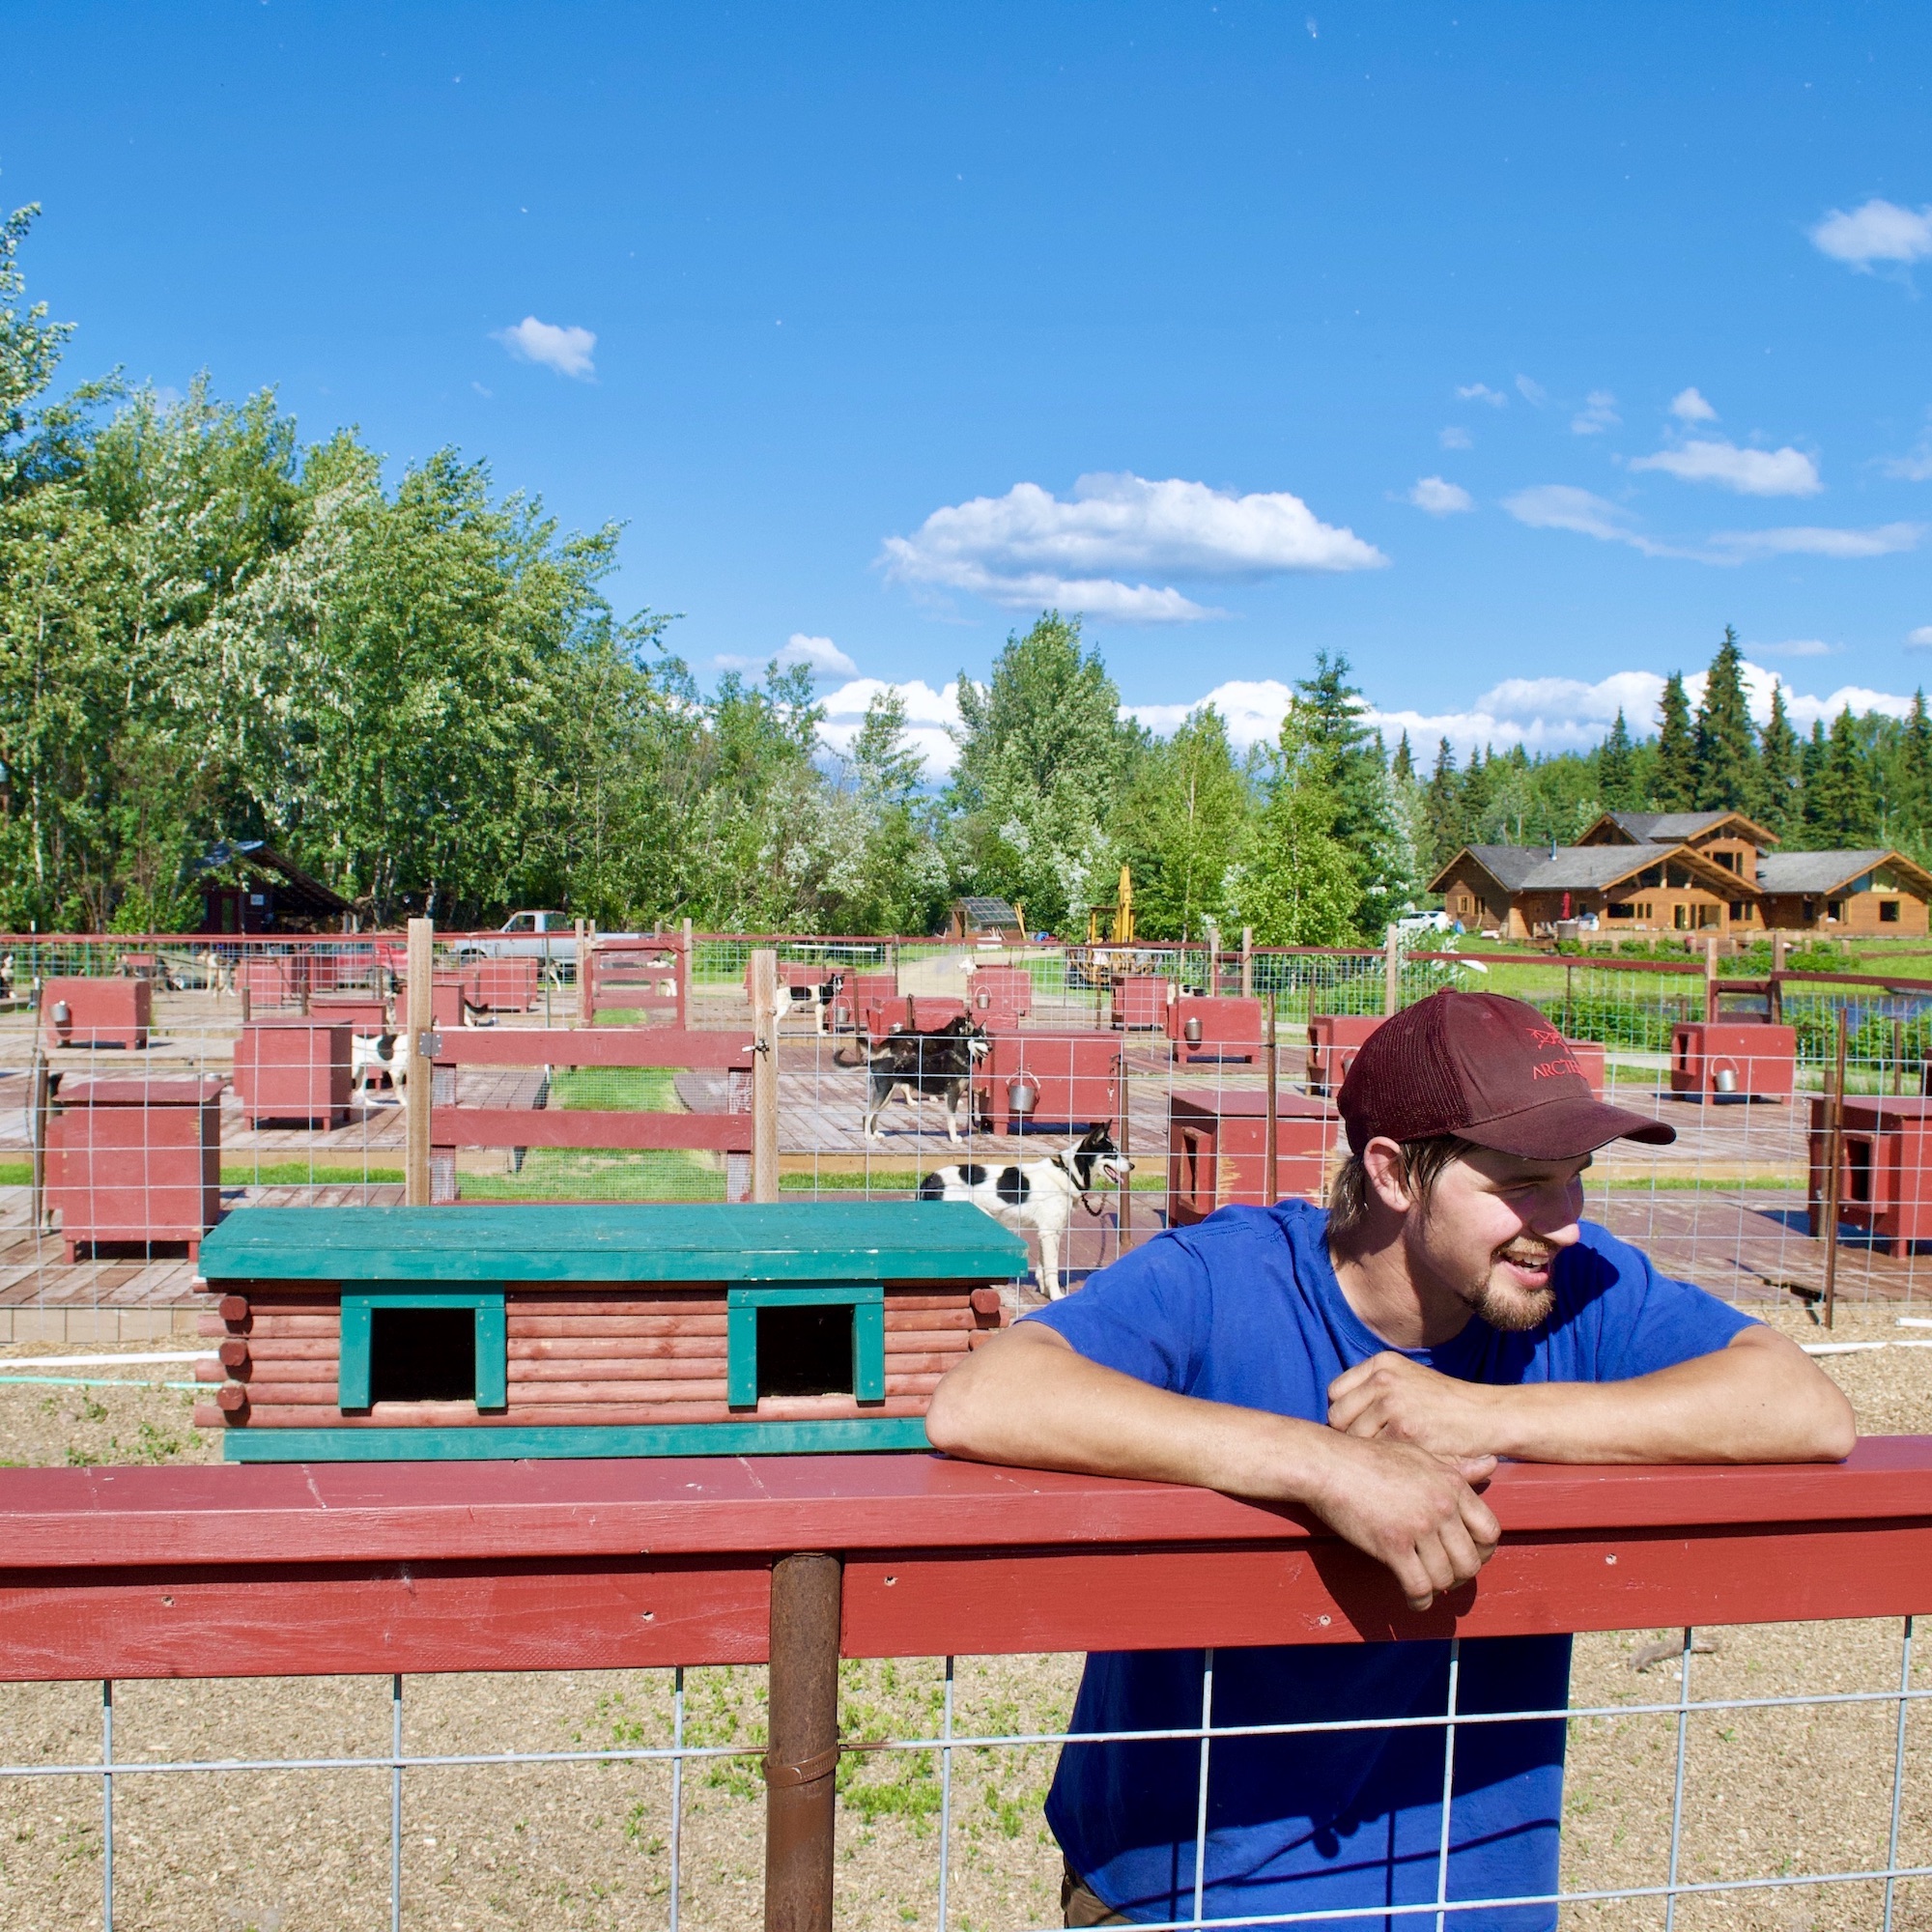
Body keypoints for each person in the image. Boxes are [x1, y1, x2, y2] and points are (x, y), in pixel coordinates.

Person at [925, 988, 1855, 1930]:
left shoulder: (1572, 1286)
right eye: (1522, 1181)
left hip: (1460, 1900)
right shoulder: (1222, 1275)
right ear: (1391, 1172)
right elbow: (987, 1393)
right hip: (1179, 1893)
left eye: (1575, 1176)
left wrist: (1485, 1413)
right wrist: (1321, 1463)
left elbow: (1802, 1406)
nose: (1564, 1219)